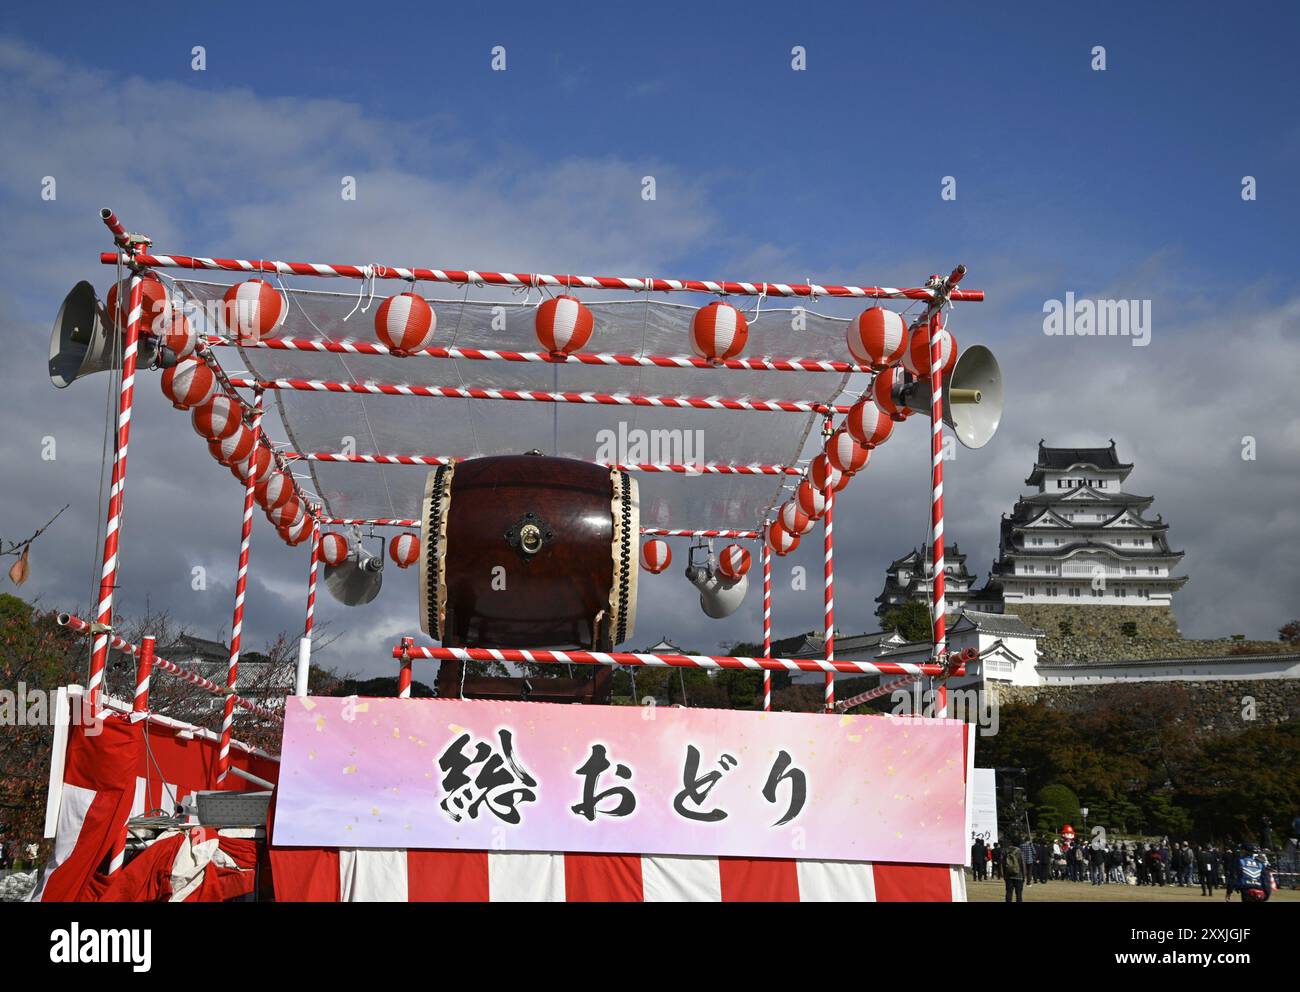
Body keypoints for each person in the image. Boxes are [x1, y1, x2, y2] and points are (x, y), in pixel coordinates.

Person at [1003, 835, 1026, 903]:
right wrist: (1024, 876)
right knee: (1019, 894)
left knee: (1009, 893)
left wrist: (1004, 875)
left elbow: (1003, 864)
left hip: (1008, 875)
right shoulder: (1020, 852)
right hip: (1018, 875)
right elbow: (1023, 865)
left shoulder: (1006, 851)